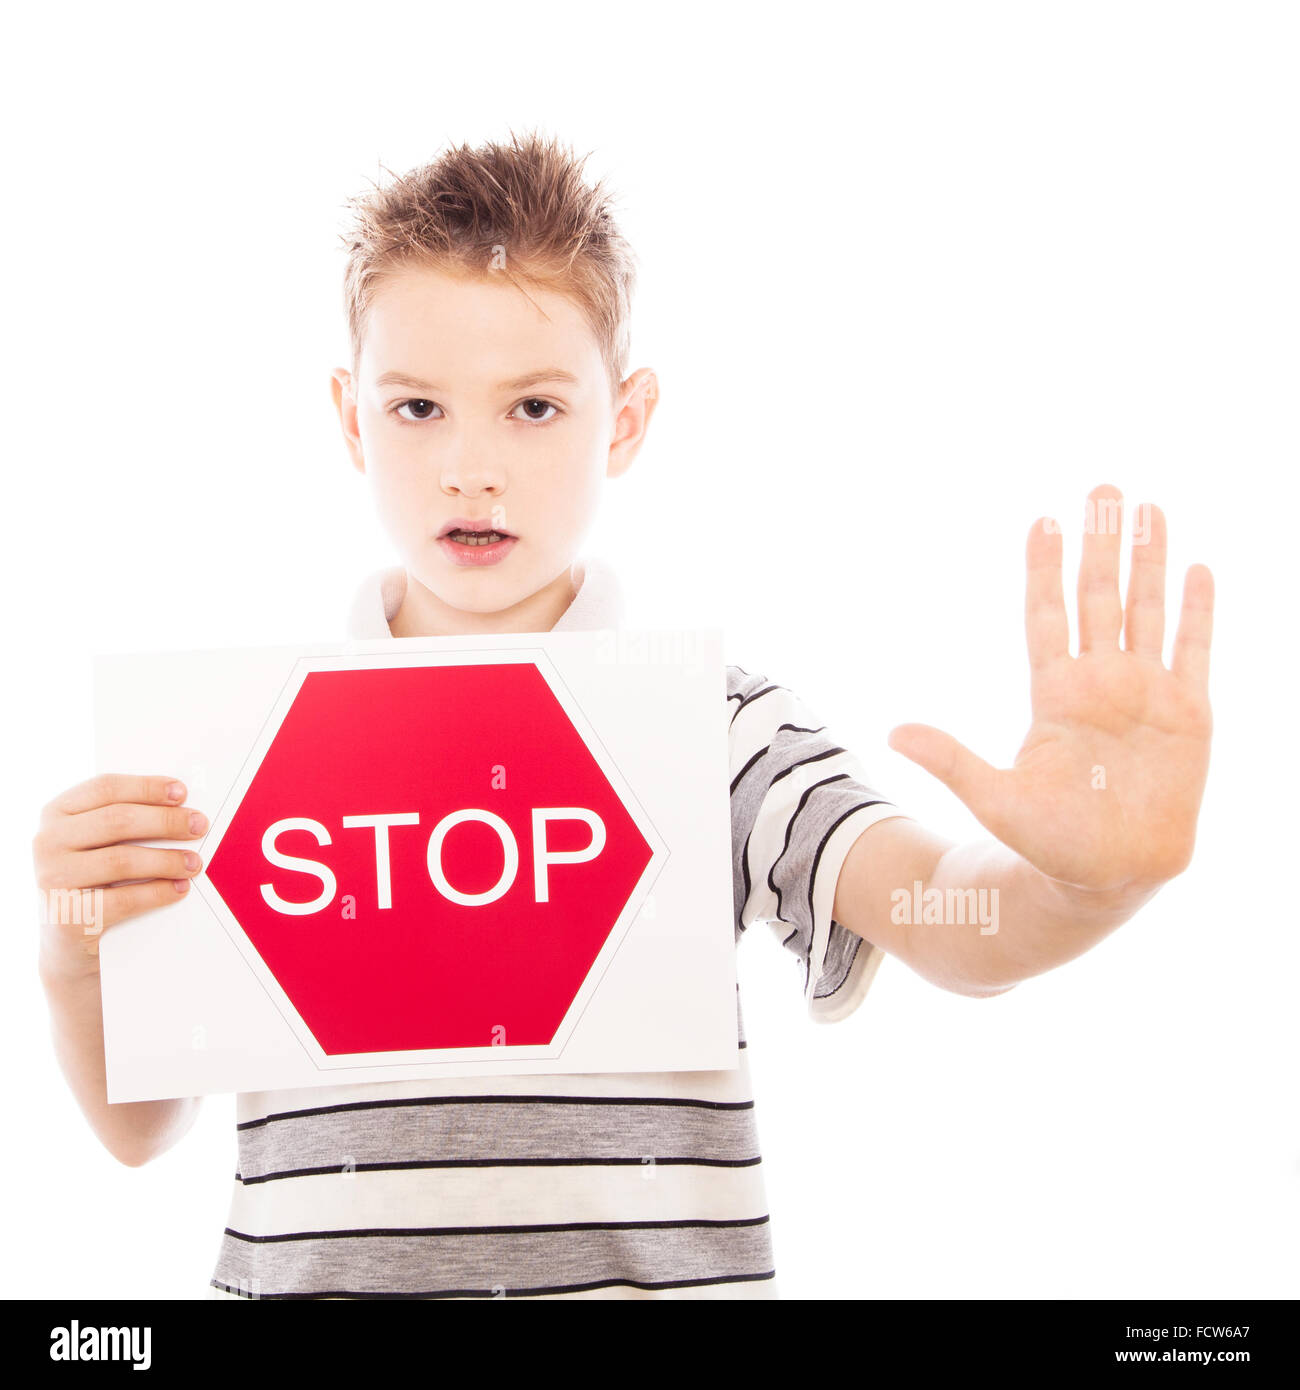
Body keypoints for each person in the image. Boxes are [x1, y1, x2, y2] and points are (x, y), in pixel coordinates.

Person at [32, 129, 1215, 1300]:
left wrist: (1082, 883)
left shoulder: (715, 729)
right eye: (417, 409)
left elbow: (943, 912)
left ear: (627, 418)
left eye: (535, 408)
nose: (471, 468)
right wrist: (73, 948)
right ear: (350, 417)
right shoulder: (225, 755)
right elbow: (139, 1129)